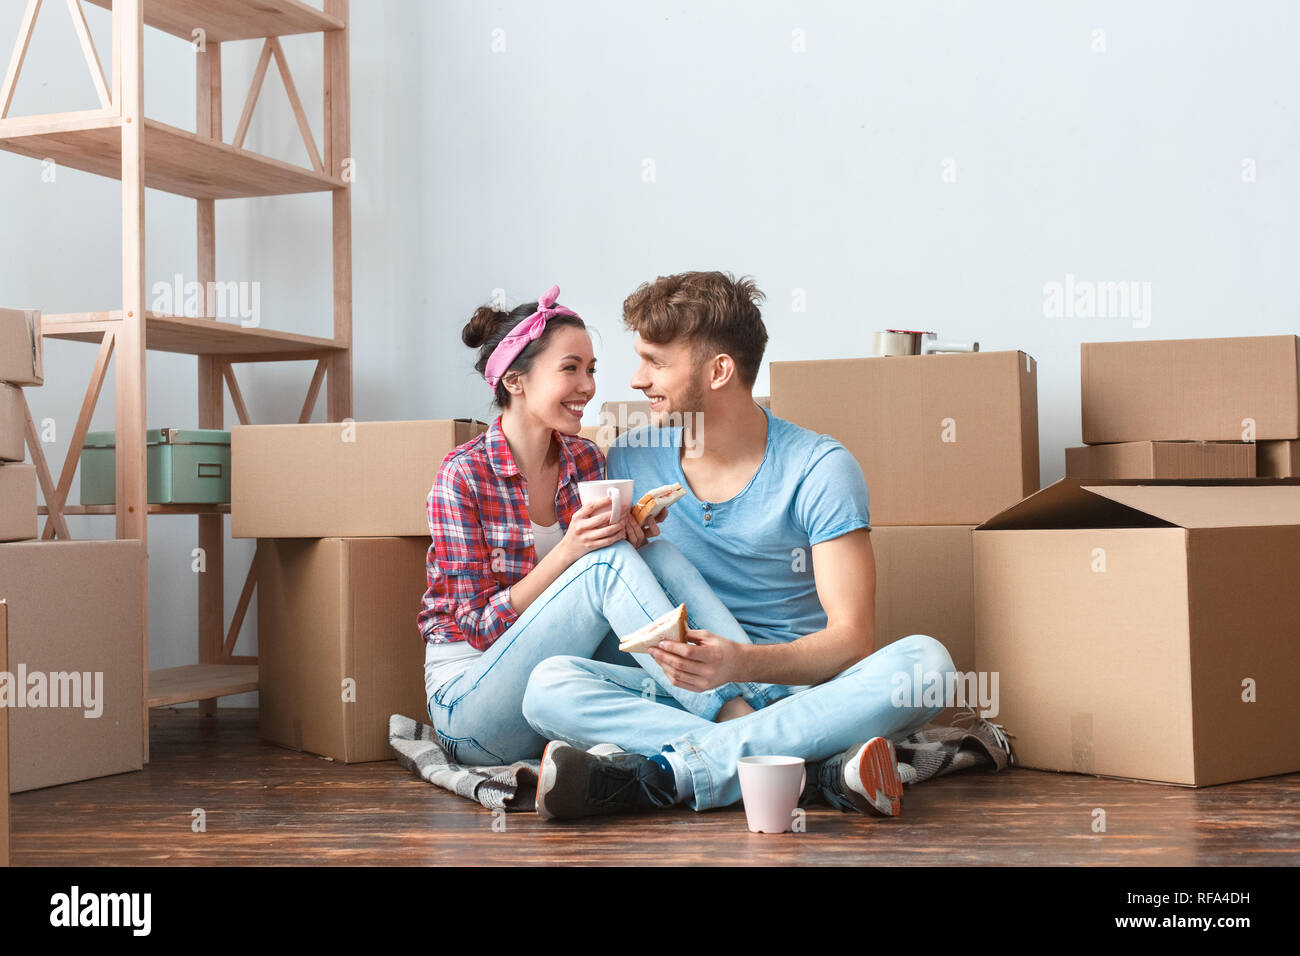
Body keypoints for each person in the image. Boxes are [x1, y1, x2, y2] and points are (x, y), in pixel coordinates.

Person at [521, 271, 959, 818]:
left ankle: (674, 771)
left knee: (927, 665)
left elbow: (853, 640)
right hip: (690, 692)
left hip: (800, 688)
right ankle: (813, 765)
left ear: (719, 369)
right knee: (547, 685)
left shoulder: (819, 468)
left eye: (656, 362)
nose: (636, 380)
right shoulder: (629, 460)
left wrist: (739, 662)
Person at [417, 284, 790, 766]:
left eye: (590, 370)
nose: (588, 387)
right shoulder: (461, 475)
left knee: (652, 552)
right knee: (606, 563)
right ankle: (750, 721)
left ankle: (764, 704)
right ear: (515, 381)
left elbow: (594, 610)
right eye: (570, 369)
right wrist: (572, 551)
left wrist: (632, 537)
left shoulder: (585, 459)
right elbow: (480, 627)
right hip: (471, 705)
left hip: (550, 687)